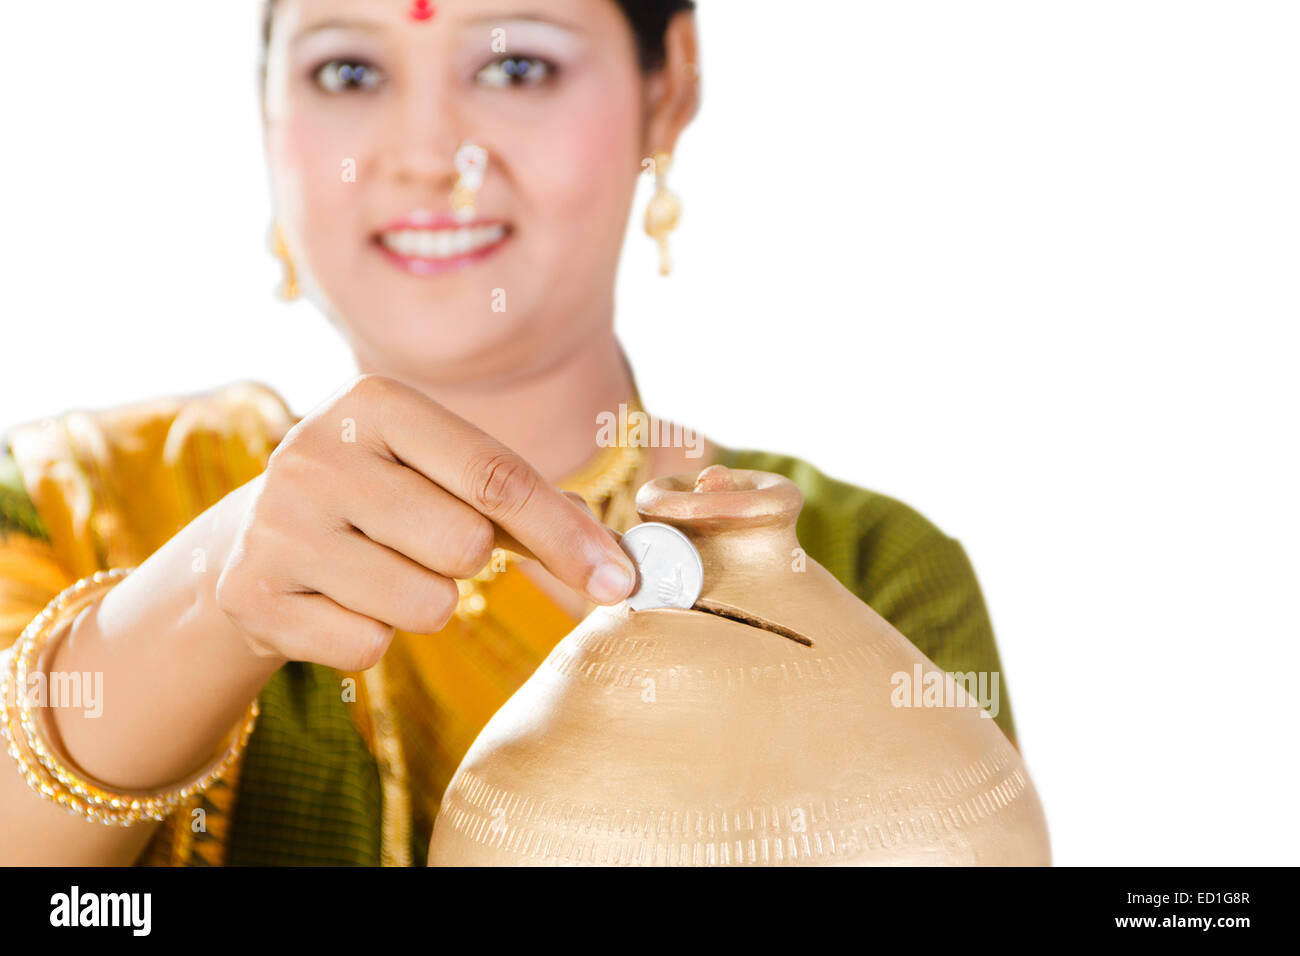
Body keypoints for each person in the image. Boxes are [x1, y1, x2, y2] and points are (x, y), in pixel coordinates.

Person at [0, 0, 1017, 866]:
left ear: (667, 90)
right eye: (348, 70)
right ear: (267, 117)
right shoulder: (76, 501)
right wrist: (210, 603)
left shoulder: (853, 567)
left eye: (517, 64)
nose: (428, 154)